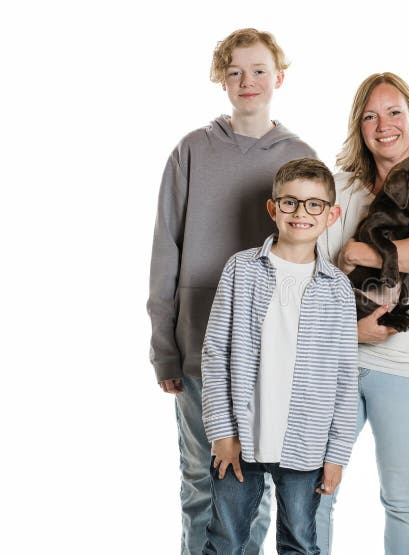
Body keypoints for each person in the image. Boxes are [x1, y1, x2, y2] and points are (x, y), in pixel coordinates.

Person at [146, 28, 316, 554]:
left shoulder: (298, 156)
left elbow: (312, 262)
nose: (248, 81)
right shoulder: (191, 152)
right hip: (199, 348)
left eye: (259, 70)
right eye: (236, 71)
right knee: (202, 481)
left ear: (279, 78)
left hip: (273, 354)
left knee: (257, 487)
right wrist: (164, 349)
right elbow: (165, 253)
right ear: (221, 79)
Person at [315, 72, 409, 555]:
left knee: (400, 499)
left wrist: (364, 253)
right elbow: (321, 277)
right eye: (371, 116)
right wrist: (352, 329)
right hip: (341, 359)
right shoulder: (342, 189)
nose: (385, 125)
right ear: (359, 127)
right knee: (314, 488)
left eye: (395, 111)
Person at [201, 158, 358, 555]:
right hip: (239, 438)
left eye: (313, 205)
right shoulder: (240, 270)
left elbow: (344, 376)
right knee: (226, 540)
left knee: (301, 543)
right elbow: (216, 353)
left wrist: (336, 454)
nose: (301, 213)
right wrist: (222, 432)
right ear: (273, 209)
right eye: (289, 203)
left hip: (307, 447)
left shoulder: (337, 289)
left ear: (331, 214)